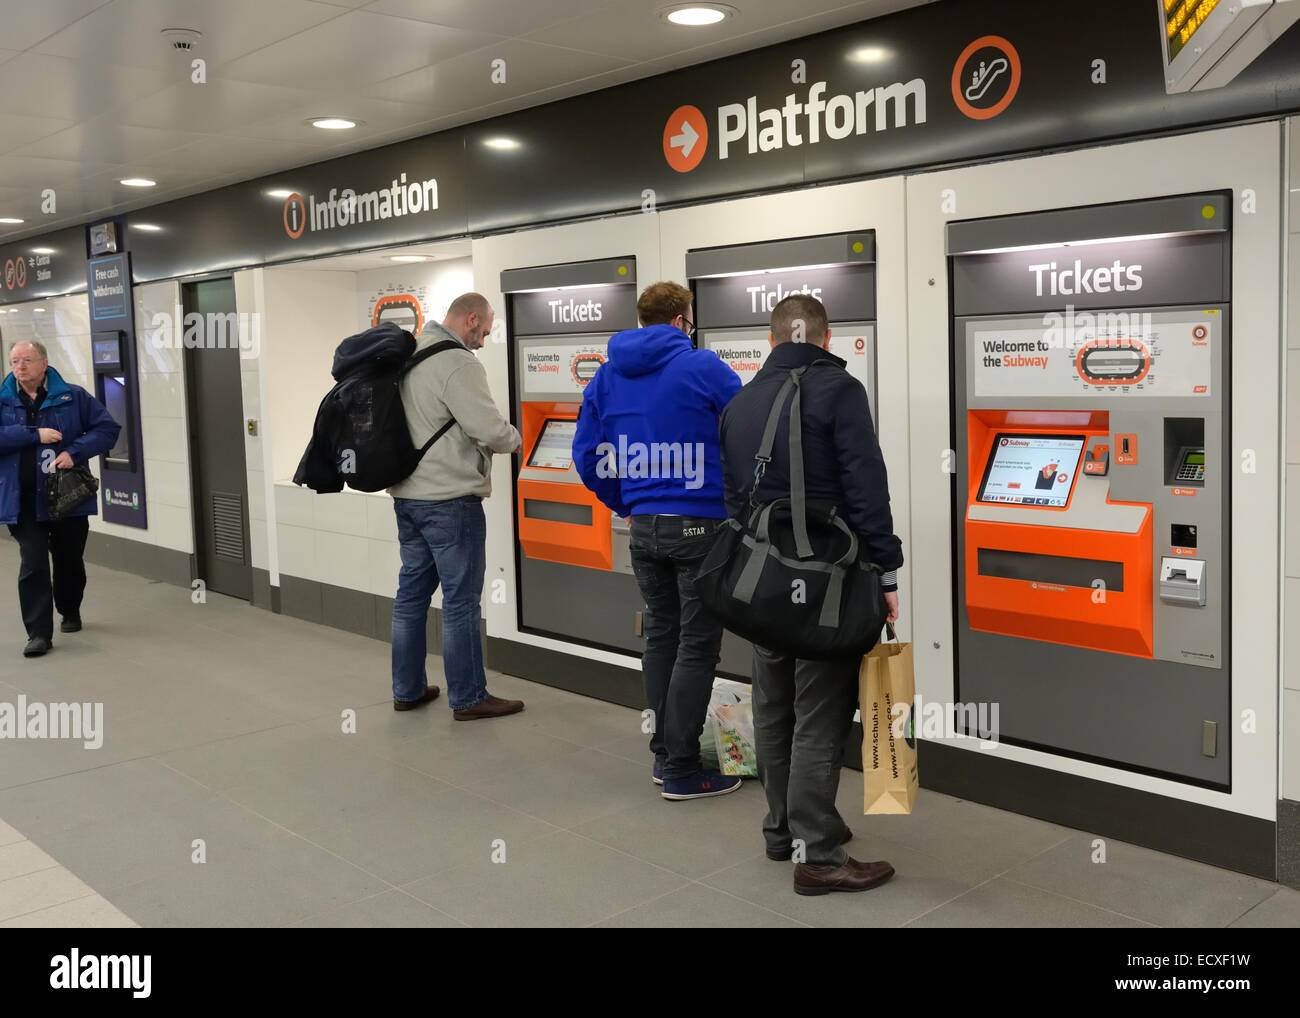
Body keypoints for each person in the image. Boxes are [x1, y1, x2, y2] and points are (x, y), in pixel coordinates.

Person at [719, 294, 904, 896]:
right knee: (821, 716)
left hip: (764, 589)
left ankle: (783, 830)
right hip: (828, 583)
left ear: (772, 340)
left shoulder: (742, 400)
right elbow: (865, 485)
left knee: (773, 706)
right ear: (827, 339)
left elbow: (732, 498)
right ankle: (818, 856)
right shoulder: (839, 392)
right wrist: (885, 571)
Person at [574, 281, 742, 800]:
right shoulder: (704, 367)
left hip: (643, 528)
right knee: (696, 646)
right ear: (680, 320)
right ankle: (684, 771)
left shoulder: (606, 377)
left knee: (661, 639)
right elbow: (747, 430)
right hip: (701, 528)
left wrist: (627, 501)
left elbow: (586, 454)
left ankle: (665, 754)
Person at [388, 293, 524, 719]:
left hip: (408, 497)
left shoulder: (411, 353)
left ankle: (407, 690)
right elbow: (488, 428)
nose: (483, 341)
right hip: (449, 502)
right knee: (461, 601)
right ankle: (468, 697)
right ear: (469, 320)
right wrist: (517, 439)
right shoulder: (458, 363)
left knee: (411, 595)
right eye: (482, 331)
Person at [0, 340, 120, 657]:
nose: (19, 366)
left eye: (26, 360)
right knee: (33, 562)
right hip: (23, 500)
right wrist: (32, 435)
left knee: (69, 560)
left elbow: (107, 429)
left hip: (68, 498)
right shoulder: (3, 400)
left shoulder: (73, 396)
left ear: (44, 362)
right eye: (14, 361)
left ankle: (69, 607)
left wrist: (74, 452)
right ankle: (38, 633)